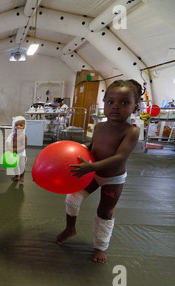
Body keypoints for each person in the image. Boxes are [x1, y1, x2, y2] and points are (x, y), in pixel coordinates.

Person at [56, 79, 142, 263]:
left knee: (105, 213)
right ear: (104, 103)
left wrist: (90, 167)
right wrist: (76, 149)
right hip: (93, 173)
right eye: (110, 102)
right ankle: (70, 228)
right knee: (72, 199)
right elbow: (93, 146)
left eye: (124, 103)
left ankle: (100, 246)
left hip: (113, 179)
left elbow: (119, 157)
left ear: (135, 107)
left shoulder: (131, 131)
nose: (116, 107)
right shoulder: (99, 126)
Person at [6, 116, 28, 185]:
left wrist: (15, 149)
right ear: (13, 126)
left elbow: (24, 146)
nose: (18, 127)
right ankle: (17, 176)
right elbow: (8, 141)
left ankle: (22, 177)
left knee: (21, 165)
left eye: (21, 125)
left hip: (21, 153)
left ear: (24, 127)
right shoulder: (12, 135)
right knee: (14, 165)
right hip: (14, 153)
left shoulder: (23, 136)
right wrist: (8, 147)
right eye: (16, 125)